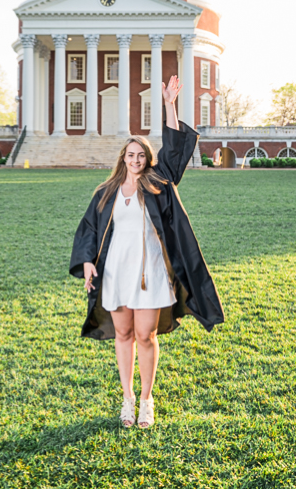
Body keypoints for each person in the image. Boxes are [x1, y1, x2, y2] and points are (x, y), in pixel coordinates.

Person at [70, 75, 225, 428]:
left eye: (141, 155)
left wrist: (170, 105)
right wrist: (87, 262)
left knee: (146, 335)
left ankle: (146, 400)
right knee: (123, 334)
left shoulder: (158, 183)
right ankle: (126, 399)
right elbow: (89, 228)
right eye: (131, 155)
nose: (136, 159)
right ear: (123, 158)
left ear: (147, 159)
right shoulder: (106, 192)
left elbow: (175, 150)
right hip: (116, 272)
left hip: (150, 271)